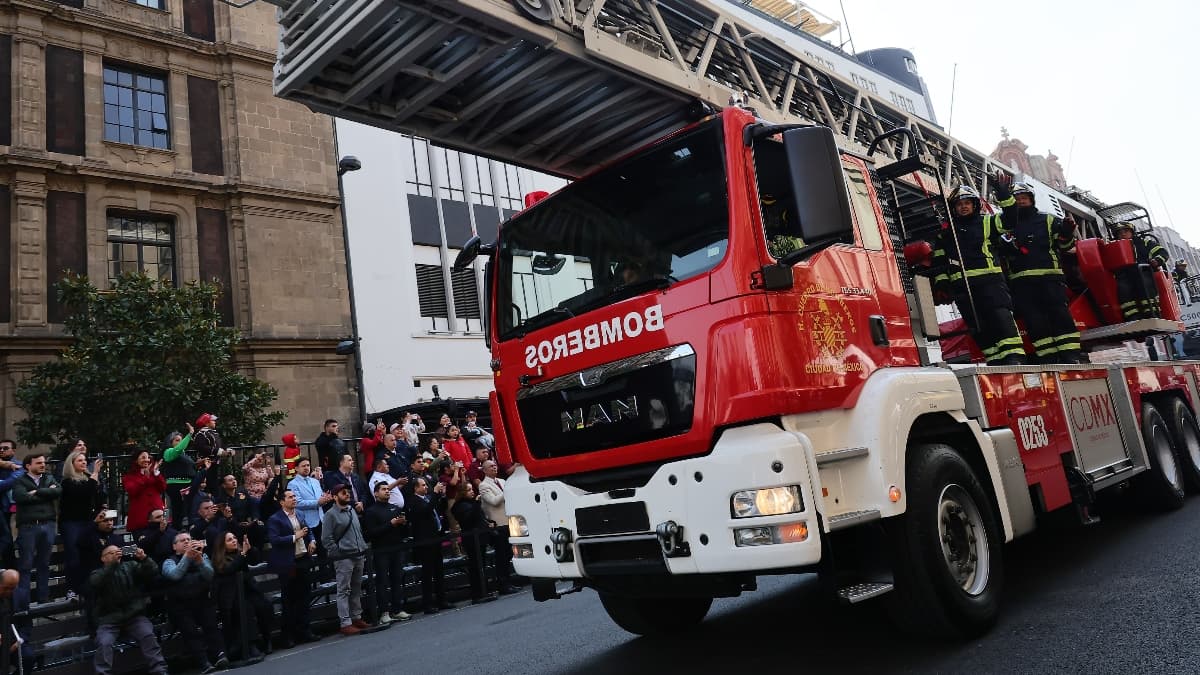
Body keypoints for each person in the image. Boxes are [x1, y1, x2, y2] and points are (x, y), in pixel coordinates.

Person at [931, 183, 1028, 365]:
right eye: (959, 204)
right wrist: (942, 283)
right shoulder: (945, 233)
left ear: (975, 205)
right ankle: (994, 360)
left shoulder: (987, 222)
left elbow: (1010, 220)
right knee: (977, 326)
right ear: (954, 208)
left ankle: (1014, 356)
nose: (964, 206)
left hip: (989, 282)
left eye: (967, 203)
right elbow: (939, 260)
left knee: (1000, 317)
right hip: (962, 287)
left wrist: (1004, 194)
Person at [999, 180, 1083, 363]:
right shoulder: (1005, 226)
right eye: (1016, 199)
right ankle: (1048, 358)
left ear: (1031, 199)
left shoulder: (1049, 219)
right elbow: (1000, 253)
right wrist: (1006, 247)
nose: (1020, 202)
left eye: (1024, 198)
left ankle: (1071, 355)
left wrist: (1067, 233)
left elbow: (1065, 246)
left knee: (1060, 316)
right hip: (1022, 283)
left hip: (1050, 279)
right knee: (1035, 322)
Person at [91, 545, 167, 675]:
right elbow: (96, 583)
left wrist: (144, 559)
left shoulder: (131, 565)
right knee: (104, 642)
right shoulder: (97, 573)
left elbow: (152, 572)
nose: (116, 554)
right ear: (103, 558)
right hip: (109, 619)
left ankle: (160, 671)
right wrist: (113, 565)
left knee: (147, 634)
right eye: (111, 553)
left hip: (134, 615)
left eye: (117, 552)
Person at [161, 532, 228, 673]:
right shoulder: (169, 561)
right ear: (174, 546)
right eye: (182, 540)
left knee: (211, 626)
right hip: (181, 605)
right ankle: (204, 663)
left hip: (202, 600)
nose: (186, 542)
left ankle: (220, 656)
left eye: (189, 539)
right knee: (190, 632)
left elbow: (210, 575)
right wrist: (187, 557)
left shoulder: (202, 556)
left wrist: (199, 561)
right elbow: (175, 575)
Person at [267, 489, 319, 648]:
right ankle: (287, 636)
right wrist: (294, 537)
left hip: (303, 559)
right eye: (290, 497)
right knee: (289, 600)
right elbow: (274, 540)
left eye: (294, 496)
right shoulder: (275, 519)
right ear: (282, 501)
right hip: (288, 563)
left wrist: (312, 541)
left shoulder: (300, 514)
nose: (294, 499)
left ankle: (305, 631)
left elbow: (308, 531)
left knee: (304, 597)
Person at [211, 531, 274, 659]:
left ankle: (267, 639)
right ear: (222, 545)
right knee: (246, 609)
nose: (234, 541)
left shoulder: (241, 553)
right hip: (232, 596)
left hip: (248, 590)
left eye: (234, 538)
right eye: (229, 540)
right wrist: (243, 553)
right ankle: (251, 645)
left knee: (264, 606)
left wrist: (250, 550)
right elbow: (230, 569)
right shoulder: (220, 559)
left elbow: (255, 560)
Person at [12, 453, 62, 608]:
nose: (43, 465)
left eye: (43, 462)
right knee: (26, 565)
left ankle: (43, 597)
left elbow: (58, 491)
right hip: (29, 526)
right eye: (39, 463)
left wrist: (37, 492)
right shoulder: (20, 480)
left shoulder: (48, 478)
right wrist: (46, 493)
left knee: (44, 563)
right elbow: (21, 498)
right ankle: (24, 601)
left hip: (48, 525)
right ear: (28, 465)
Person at [321, 483, 371, 635]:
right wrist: (339, 553)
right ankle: (345, 622)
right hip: (345, 557)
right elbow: (326, 539)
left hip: (358, 553)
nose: (347, 494)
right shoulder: (330, 514)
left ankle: (356, 617)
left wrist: (361, 547)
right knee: (344, 589)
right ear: (335, 497)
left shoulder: (351, 510)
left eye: (348, 492)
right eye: (343, 492)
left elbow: (358, 531)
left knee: (356, 587)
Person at [59, 449, 107, 601]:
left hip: (88, 521)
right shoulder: (67, 482)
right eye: (80, 460)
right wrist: (95, 473)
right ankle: (71, 589)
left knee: (89, 555)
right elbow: (83, 493)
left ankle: (88, 587)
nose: (84, 462)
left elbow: (97, 496)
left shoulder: (89, 478)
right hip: (72, 523)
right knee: (73, 556)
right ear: (71, 464)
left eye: (85, 460)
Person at [362, 482, 411, 624]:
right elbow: (370, 533)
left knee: (397, 579)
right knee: (382, 581)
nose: (387, 491)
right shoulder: (371, 511)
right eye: (383, 489)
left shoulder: (395, 508)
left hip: (397, 548)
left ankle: (397, 609)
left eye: (388, 489)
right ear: (376, 493)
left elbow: (404, 532)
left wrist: (404, 523)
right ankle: (384, 612)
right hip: (381, 550)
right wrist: (391, 524)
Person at [406, 476, 451, 614]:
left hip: (435, 537)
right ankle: (428, 604)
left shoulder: (427, 499)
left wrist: (441, 496)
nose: (426, 487)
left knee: (439, 571)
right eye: (423, 485)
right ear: (415, 488)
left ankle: (441, 600)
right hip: (425, 541)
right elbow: (426, 510)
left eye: (426, 485)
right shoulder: (414, 501)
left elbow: (437, 508)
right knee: (428, 573)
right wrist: (435, 493)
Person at [1113, 221, 1169, 320]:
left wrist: (1157, 260)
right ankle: (1132, 317)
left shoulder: (1143, 242)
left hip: (1143, 273)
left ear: (1132, 232)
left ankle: (1152, 314)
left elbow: (1162, 252)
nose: (1123, 233)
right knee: (1124, 292)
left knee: (1145, 288)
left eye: (1126, 231)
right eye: (1119, 232)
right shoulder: (1113, 246)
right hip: (1124, 276)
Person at [478, 460, 517, 594]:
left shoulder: (502, 481)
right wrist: (507, 490)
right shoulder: (483, 485)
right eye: (491, 466)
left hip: (509, 521)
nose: (494, 468)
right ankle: (503, 584)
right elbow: (493, 501)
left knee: (508, 553)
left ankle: (509, 581)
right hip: (498, 524)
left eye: (495, 465)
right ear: (484, 470)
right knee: (501, 555)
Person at [450, 482, 492, 604]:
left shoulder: (471, 503)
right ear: (463, 492)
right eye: (468, 490)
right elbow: (469, 520)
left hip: (480, 537)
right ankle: (478, 593)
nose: (472, 491)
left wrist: (488, 522)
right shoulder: (459, 506)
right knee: (475, 567)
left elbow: (479, 518)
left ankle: (484, 590)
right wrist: (477, 504)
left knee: (481, 565)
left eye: (472, 489)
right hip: (472, 540)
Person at [161, 423, 196, 530]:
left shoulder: (183, 455)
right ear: (170, 442)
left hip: (188, 485)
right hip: (176, 486)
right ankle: (176, 531)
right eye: (177, 440)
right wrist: (189, 434)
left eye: (181, 440)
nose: (180, 442)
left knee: (188, 509)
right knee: (178, 511)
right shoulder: (168, 452)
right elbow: (178, 449)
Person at [122, 451, 166, 532]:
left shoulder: (154, 473)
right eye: (143, 457)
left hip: (157, 513)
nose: (147, 460)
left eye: (148, 457)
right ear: (136, 460)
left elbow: (162, 488)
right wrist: (145, 477)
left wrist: (156, 473)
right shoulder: (129, 477)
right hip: (141, 516)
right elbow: (132, 490)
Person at [289, 457, 331, 539]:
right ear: (296, 468)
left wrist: (326, 498)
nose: (306, 468)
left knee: (323, 549)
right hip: (306, 522)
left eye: (308, 465)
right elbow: (297, 503)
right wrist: (317, 502)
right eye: (303, 466)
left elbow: (320, 497)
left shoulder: (315, 481)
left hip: (321, 520)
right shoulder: (293, 484)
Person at [0, 440, 22, 567]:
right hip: (2, 511)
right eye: (0, 448)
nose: (2, 450)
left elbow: (10, 482)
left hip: (13, 511)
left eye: (5, 448)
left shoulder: (18, 465)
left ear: (13, 450)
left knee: (9, 543)